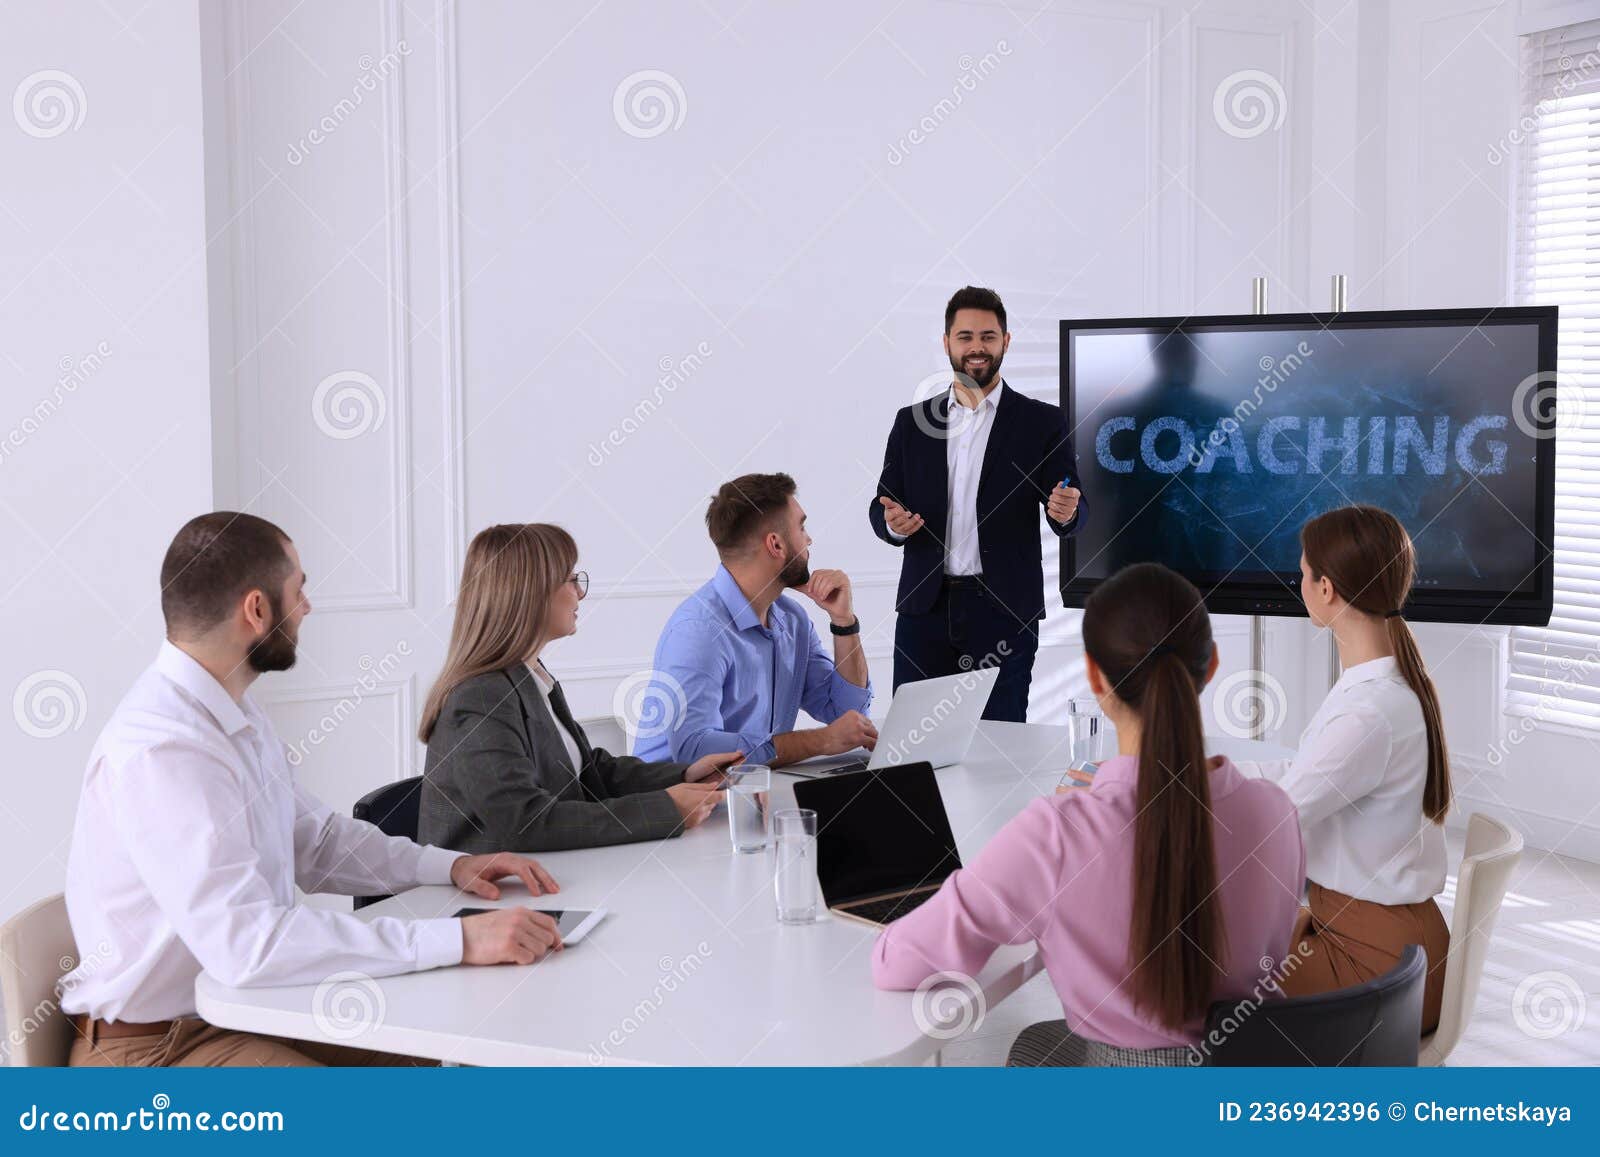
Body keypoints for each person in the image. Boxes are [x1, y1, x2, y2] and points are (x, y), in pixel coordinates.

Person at [60, 513, 566, 1068]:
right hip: (158, 1048)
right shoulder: (164, 750)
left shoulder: (232, 716)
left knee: (434, 1054)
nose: (306, 608)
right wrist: (460, 942)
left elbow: (317, 841)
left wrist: (450, 867)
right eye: (298, 591)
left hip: (242, 1008)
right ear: (257, 610)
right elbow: (248, 946)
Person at [873, 562, 1305, 1065]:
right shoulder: (1276, 812)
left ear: (1095, 677)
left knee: (1029, 1050)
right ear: (1210, 669)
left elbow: (901, 964)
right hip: (1256, 1092)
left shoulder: (1056, 834)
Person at [1232, 504, 1453, 1034]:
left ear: (1326, 588)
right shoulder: (1387, 683)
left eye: (1303, 572)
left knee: (1199, 970)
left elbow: (1275, 822)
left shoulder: (1369, 710)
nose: (1300, 582)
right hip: (1385, 937)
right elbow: (1312, 776)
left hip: (1373, 963)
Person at [418, 523, 741, 853]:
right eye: (571, 580)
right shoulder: (480, 697)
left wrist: (684, 775)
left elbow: (589, 771)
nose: (580, 593)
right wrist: (665, 810)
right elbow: (525, 823)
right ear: (531, 592)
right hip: (486, 896)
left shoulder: (530, 675)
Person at [869, 286, 1087, 722]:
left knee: (1000, 750)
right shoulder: (911, 423)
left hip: (1003, 612)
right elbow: (882, 505)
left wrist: (1068, 512)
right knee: (915, 752)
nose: (976, 348)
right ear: (947, 342)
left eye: (988, 337)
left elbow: (1073, 505)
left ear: (1006, 342)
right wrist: (892, 522)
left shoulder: (1042, 421)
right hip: (924, 613)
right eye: (965, 337)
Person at [634, 472, 876, 767]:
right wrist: (820, 740)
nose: (809, 538)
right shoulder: (698, 631)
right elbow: (696, 750)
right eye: (801, 527)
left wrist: (843, 621)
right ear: (776, 545)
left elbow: (846, 714)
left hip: (753, 790)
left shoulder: (792, 620)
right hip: (679, 806)